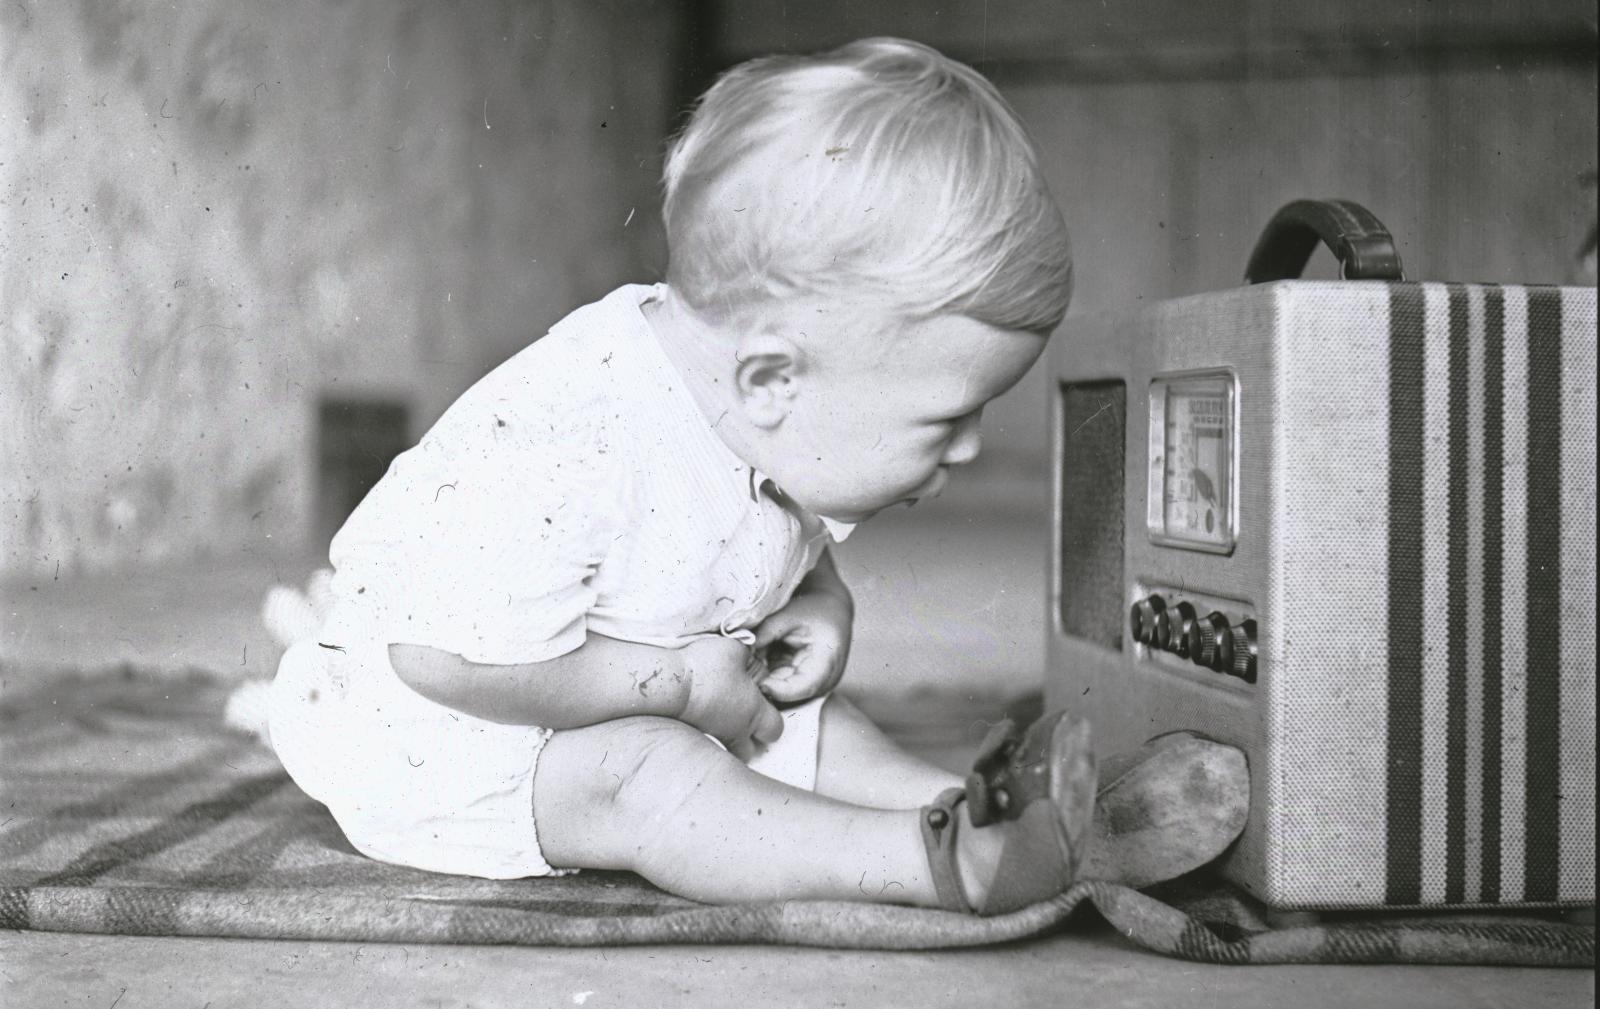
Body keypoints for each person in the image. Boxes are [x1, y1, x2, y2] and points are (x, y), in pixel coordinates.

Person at [267, 37, 1247, 915]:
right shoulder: (572, 443)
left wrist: (823, 609)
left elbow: (789, 538)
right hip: (450, 738)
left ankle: (983, 814)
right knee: (655, 777)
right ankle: (927, 862)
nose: (969, 450)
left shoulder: (773, 414)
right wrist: (688, 686)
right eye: (946, 418)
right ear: (774, 377)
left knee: (814, 723)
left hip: (637, 678)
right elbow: (441, 659)